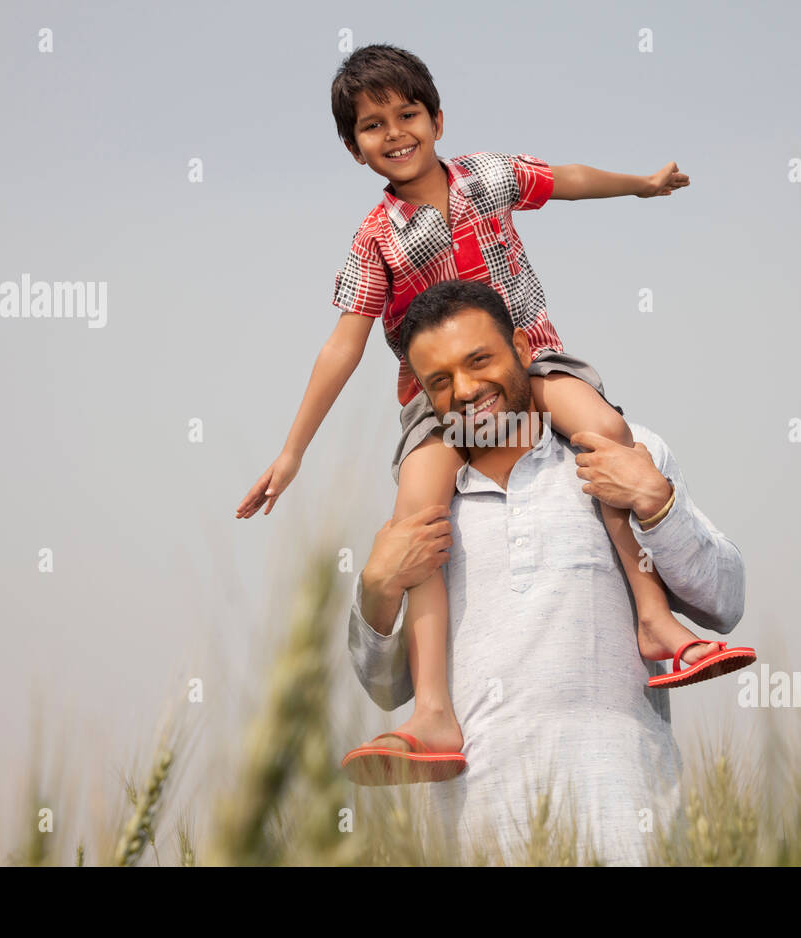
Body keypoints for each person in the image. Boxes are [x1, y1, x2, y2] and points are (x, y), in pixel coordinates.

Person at [235, 43, 740, 775]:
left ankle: (656, 619)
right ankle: (434, 711)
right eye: (373, 126)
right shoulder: (375, 240)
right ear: (354, 151)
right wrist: (293, 451)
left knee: (607, 434)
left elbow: (563, 179)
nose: (395, 132)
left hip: (531, 359)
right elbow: (342, 345)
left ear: (437, 119)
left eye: (407, 113)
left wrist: (641, 184)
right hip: (439, 404)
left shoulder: (485, 178)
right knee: (419, 519)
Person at [343, 280, 749, 864]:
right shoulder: (420, 511)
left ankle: (656, 621)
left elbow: (726, 598)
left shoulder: (625, 453)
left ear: (524, 348)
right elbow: (385, 689)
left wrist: (658, 504)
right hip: (480, 839)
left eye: (479, 359)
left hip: (630, 827)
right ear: (422, 396)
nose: (465, 390)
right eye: (440, 381)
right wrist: (377, 587)